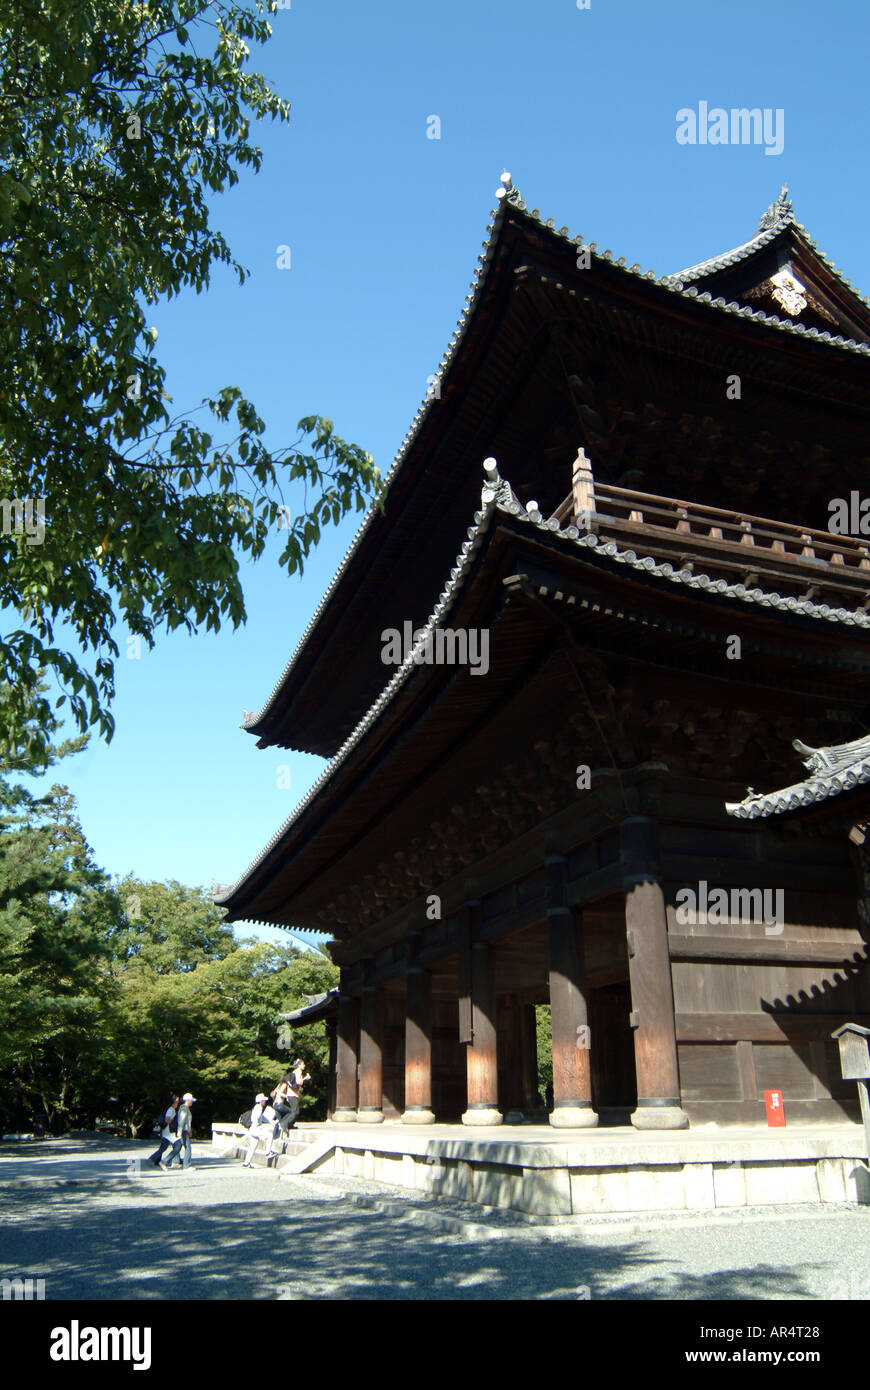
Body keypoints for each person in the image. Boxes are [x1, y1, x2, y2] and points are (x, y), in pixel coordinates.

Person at [272, 1058, 310, 1139]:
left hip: (291, 1095)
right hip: (292, 1095)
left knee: (294, 1111)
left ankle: (289, 1125)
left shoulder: (294, 1072)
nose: (304, 1065)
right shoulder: (298, 1072)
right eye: (303, 1064)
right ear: (299, 1065)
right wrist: (306, 1078)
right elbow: (299, 1082)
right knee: (295, 1111)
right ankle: (285, 1124)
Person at [242, 1093, 277, 1167]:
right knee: (269, 1135)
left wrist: (271, 1122)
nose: (265, 1101)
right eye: (264, 1100)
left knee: (253, 1146)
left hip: (252, 1129)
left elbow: (263, 1118)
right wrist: (258, 1123)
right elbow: (255, 1118)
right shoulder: (258, 1108)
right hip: (255, 1128)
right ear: (260, 1101)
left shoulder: (257, 1107)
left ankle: (246, 1162)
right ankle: (268, 1152)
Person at [147, 1095, 180, 1168]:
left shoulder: (170, 1109)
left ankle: (154, 1160)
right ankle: (153, 1159)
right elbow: (167, 1119)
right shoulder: (171, 1110)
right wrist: (173, 1122)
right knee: (177, 1145)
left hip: (167, 1132)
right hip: (169, 1133)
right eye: (176, 1101)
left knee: (165, 1147)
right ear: (173, 1102)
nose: (178, 1103)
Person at [167, 1091, 196, 1170]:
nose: (192, 1102)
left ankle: (170, 1161)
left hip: (185, 1130)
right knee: (188, 1148)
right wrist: (180, 1131)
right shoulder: (184, 1109)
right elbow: (182, 1120)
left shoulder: (185, 1108)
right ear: (188, 1100)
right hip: (184, 1131)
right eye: (191, 1100)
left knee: (179, 1147)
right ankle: (186, 1165)